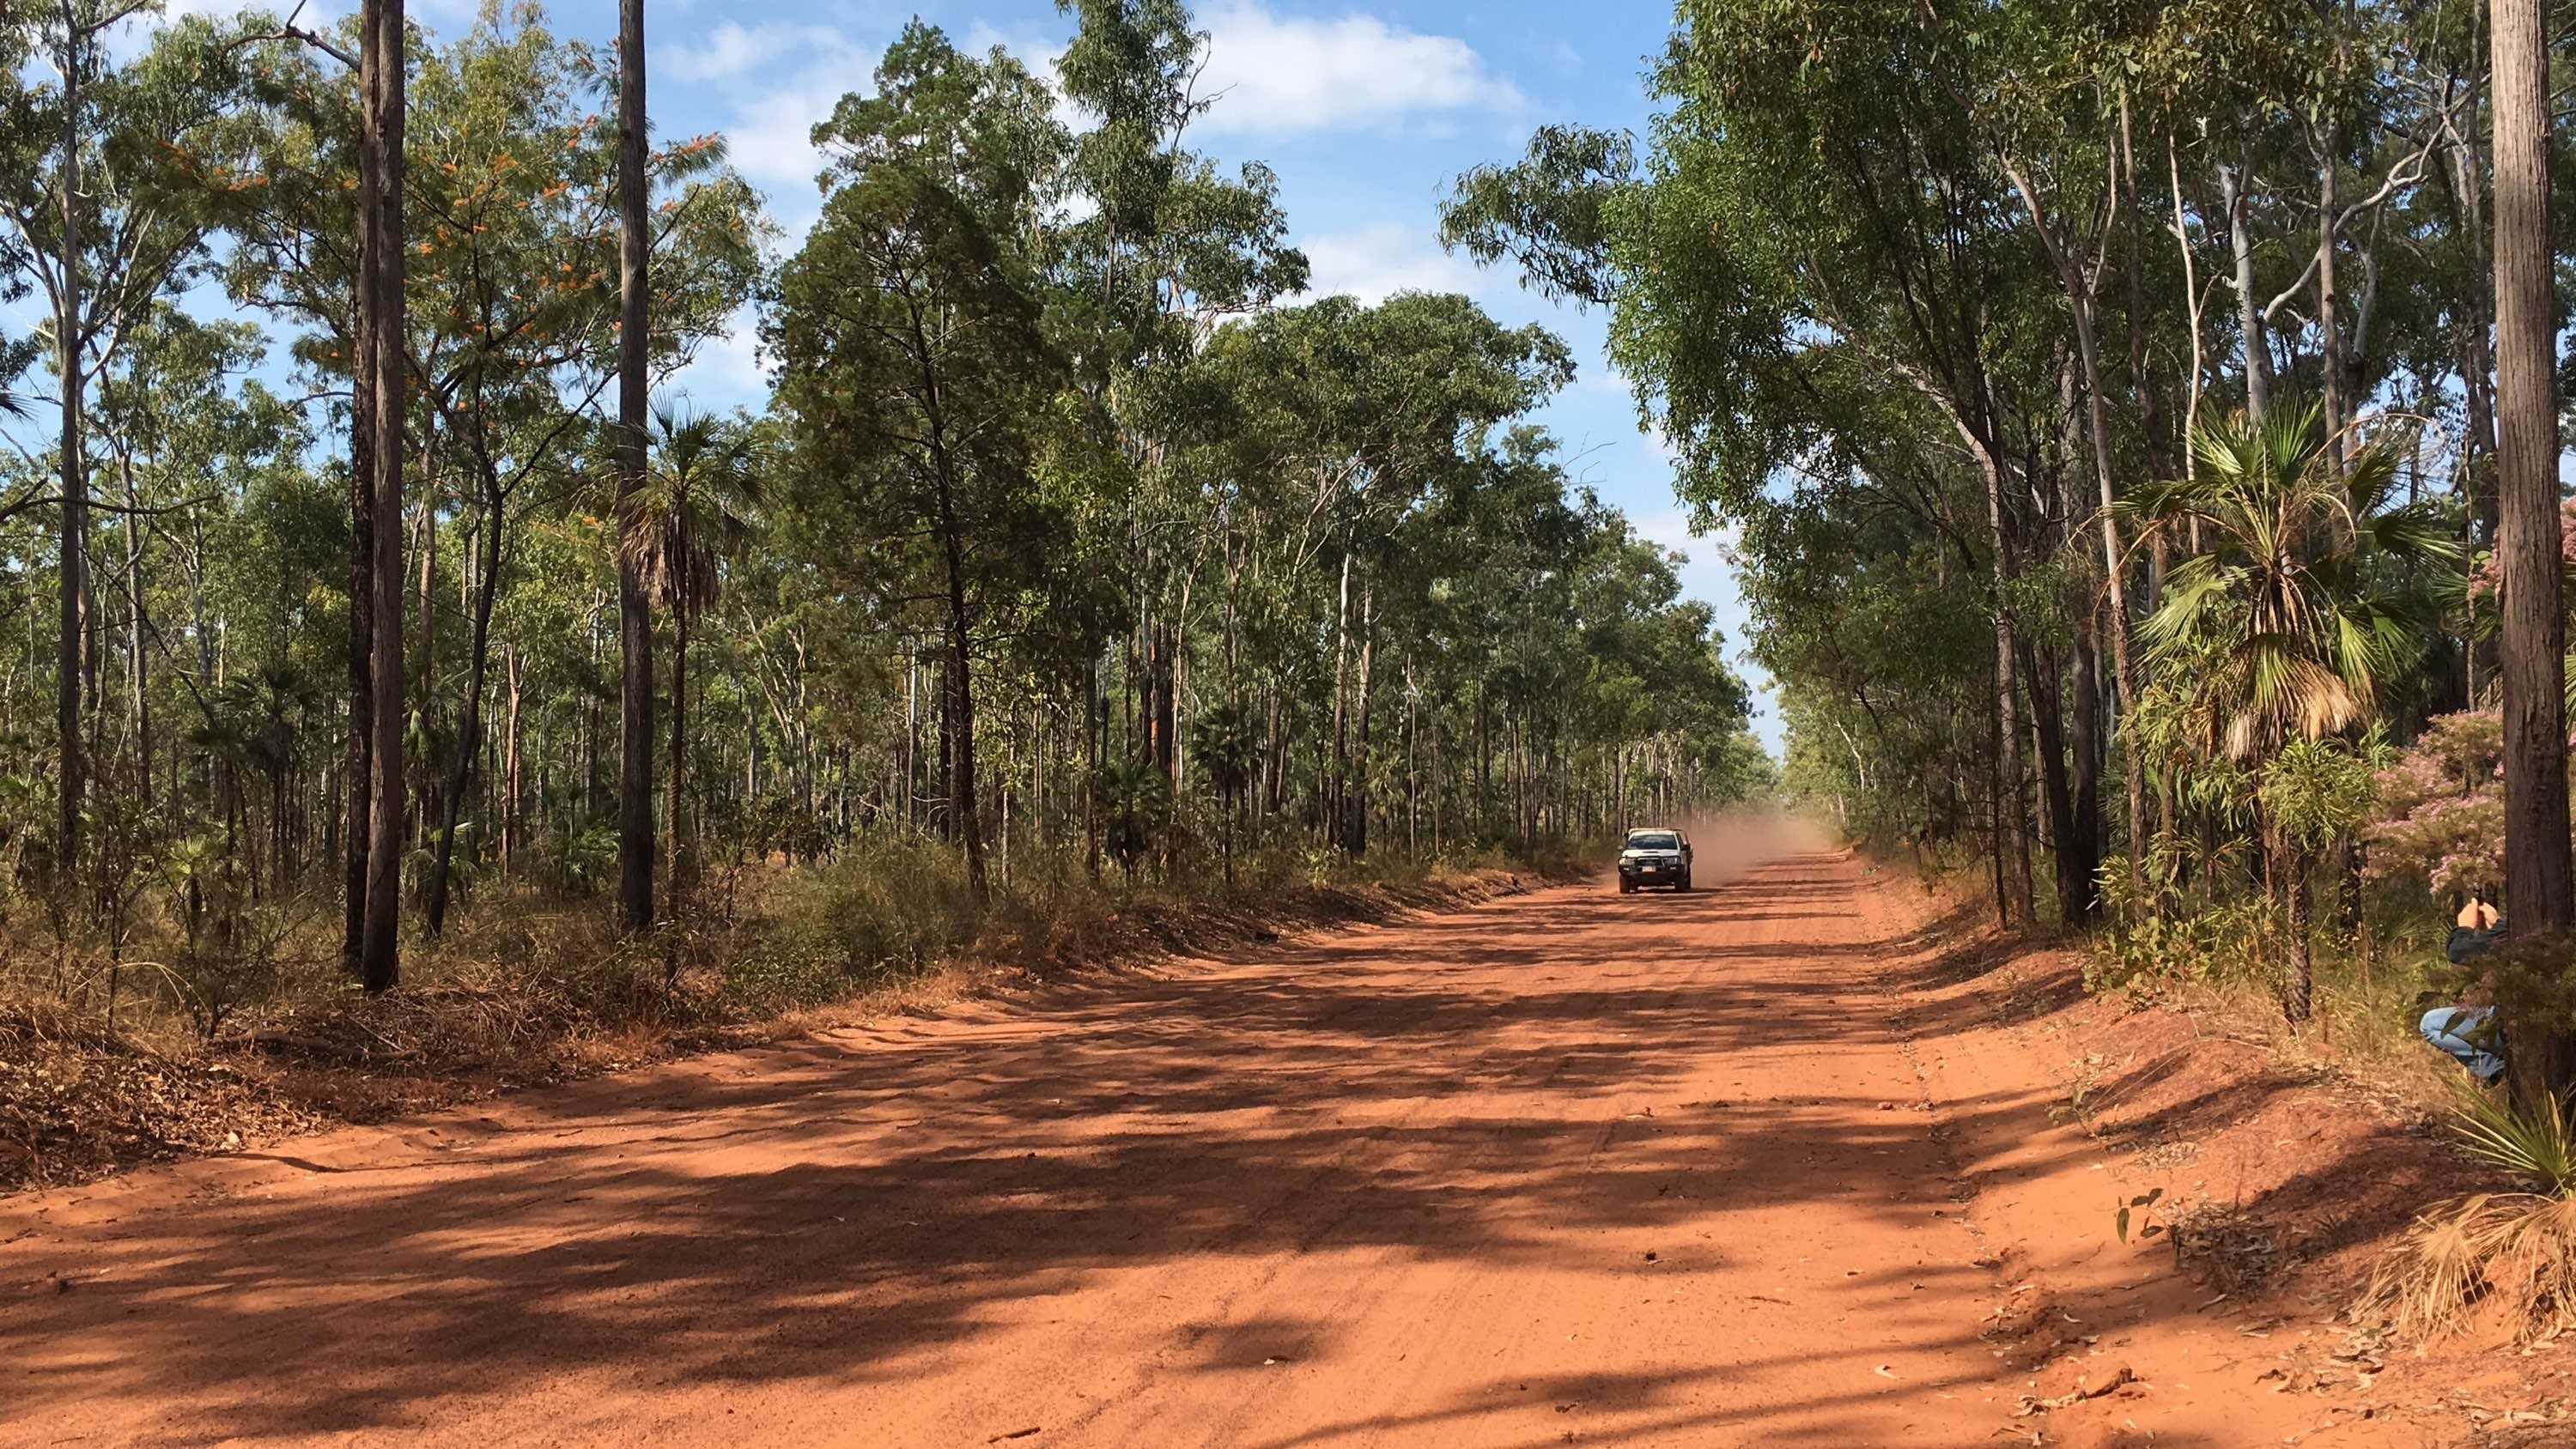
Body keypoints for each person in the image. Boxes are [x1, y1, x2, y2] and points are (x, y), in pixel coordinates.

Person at [2421, 889, 2506, 1084]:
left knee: (2430, 1024)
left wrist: (2465, 927)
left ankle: (2494, 1069)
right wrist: (2497, 924)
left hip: (2506, 1025)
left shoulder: (2513, 927)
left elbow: (2458, 952)